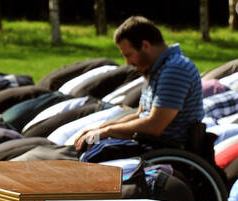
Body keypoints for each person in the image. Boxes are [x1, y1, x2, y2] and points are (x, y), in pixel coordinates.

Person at [75, 16, 204, 153]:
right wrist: (100, 128)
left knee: (93, 154)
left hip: (165, 149)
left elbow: (154, 126)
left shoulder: (175, 70)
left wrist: (106, 131)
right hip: (150, 143)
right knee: (85, 148)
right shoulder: (156, 69)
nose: (128, 63)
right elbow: (140, 115)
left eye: (129, 55)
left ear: (145, 46)